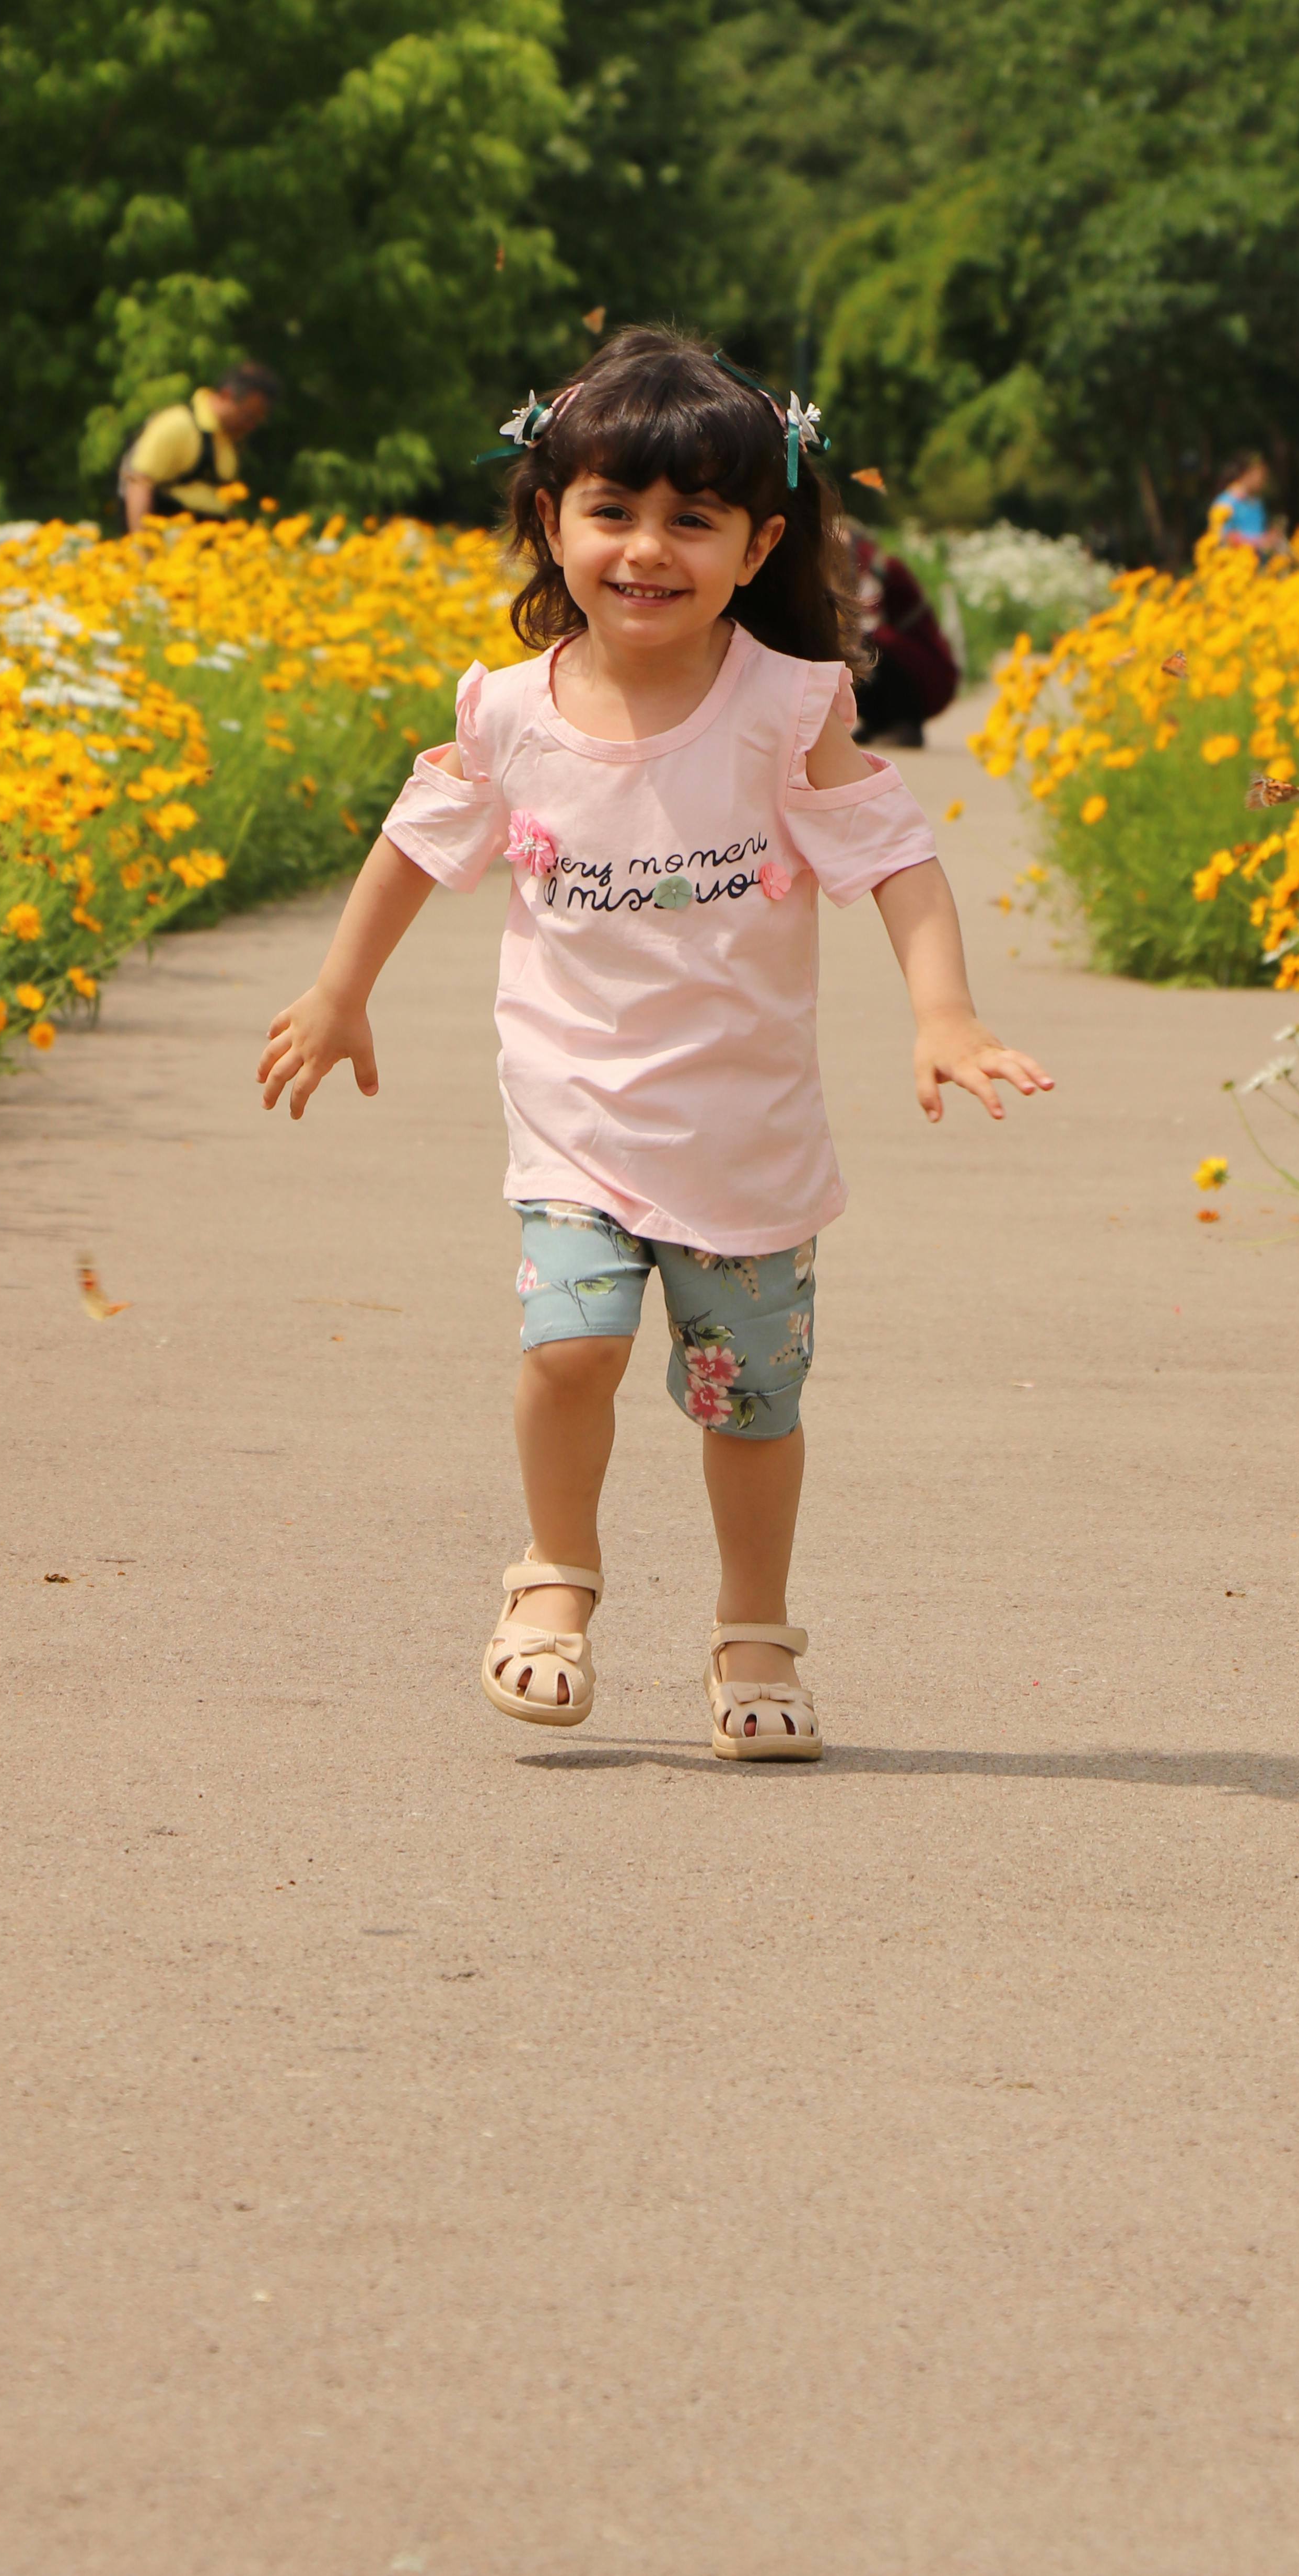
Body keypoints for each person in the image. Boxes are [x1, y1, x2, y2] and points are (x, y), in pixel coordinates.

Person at [256, 329, 1052, 1761]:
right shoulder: (508, 711)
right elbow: (414, 846)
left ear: (759, 546)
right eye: (613, 511)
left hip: (745, 1142)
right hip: (574, 1118)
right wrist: (338, 991)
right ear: (549, 522)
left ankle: (756, 1629)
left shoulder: (784, 706)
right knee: (571, 1346)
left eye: (695, 520)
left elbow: (892, 855)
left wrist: (945, 1010)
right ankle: (553, 1581)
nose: (648, 549)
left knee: (746, 1407)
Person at [117, 362, 279, 532]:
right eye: (248, 416)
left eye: (257, 422)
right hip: (170, 547)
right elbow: (139, 483)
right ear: (226, 396)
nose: (250, 426)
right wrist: (142, 548)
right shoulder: (178, 425)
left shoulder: (226, 440)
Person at [847, 521, 959, 746]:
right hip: (925, 670)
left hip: (927, 676)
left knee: (855, 651)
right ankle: (879, 724)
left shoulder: (878, 569)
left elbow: (867, 624)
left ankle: (901, 725)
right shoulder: (871, 567)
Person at [1207, 450, 1282, 561]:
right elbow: (1221, 537)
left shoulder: (1257, 502)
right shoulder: (1226, 503)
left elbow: (1258, 532)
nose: (1263, 481)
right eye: (1261, 475)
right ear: (1247, 473)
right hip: (1234, 568)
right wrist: (1259, 542)